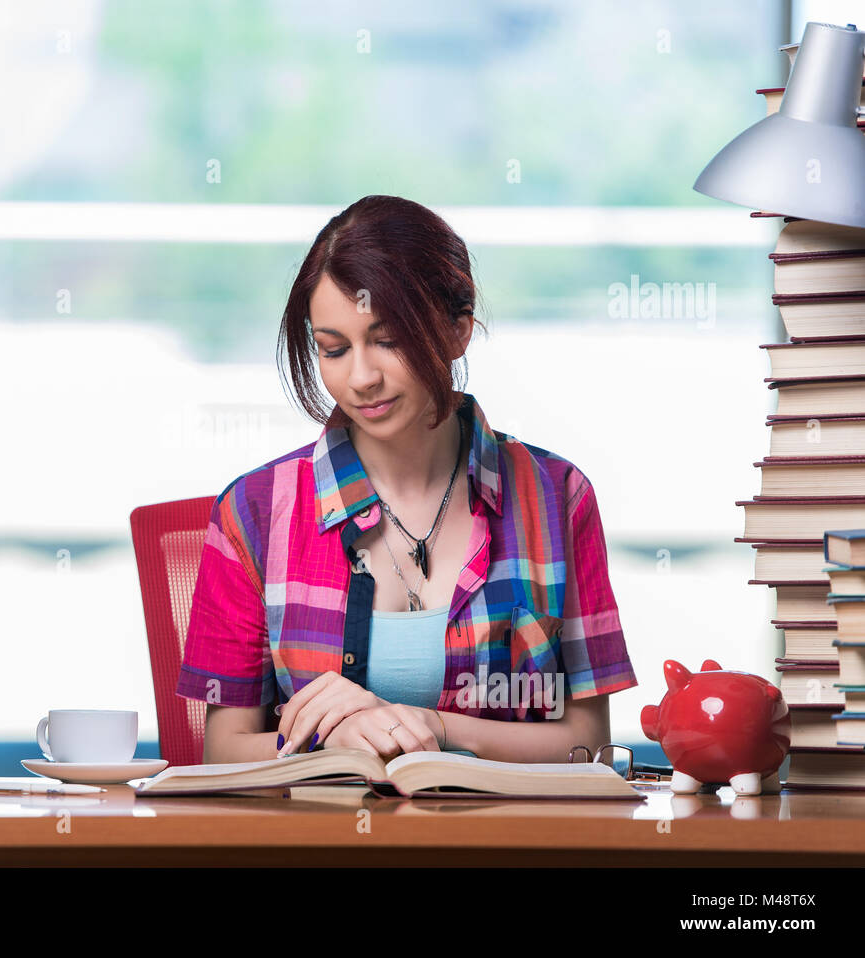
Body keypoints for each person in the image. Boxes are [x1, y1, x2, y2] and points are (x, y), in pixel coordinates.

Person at [176, 194, 638, 766]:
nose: (362, 377)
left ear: (457, 331)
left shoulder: (556, 496)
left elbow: (586, 743)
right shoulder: (252, 511)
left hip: (504, 844)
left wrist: (434, 727)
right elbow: (221, 751)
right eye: (334, 349)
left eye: (388, 340)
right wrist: (331, 738)